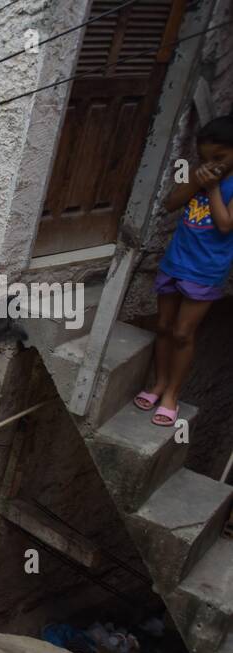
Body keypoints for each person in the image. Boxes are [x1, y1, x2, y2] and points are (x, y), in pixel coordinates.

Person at [134, 115, 233, 427]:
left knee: (182, 332)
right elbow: (171, 203)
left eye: (220, 157)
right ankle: (158, 383)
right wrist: (195, 180)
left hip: (206, 270)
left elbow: (225, 223)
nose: (211, 163)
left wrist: (213, 188)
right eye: (205, 158)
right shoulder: (197, 174)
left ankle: (171, 395)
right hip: (176, 261)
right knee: (163, 326)